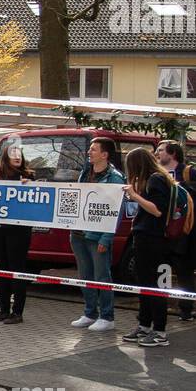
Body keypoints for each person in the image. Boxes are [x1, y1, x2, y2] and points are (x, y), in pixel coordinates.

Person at [155, 139, 196, 321]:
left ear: (172, 153)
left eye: (161, 150)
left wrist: (180, 188)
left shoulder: (190, 172)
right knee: (161, 269)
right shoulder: (156, 173)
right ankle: (160, 306)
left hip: (185, 232)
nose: (157, 153)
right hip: (161, 230)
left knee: (184, 272)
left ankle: (186, 308)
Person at [121, 147, 175, 347]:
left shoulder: (155, 180)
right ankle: (144, 325)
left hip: (153, 239)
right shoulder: (154, 179)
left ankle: (160, 331)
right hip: (144, 237)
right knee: (144, 283)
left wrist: (135, 195)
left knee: (154, 285)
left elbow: (157, 210)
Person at [70, 137, 124, 331]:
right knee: (85, 275)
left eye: (93, 150)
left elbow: (115, 211)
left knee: (102, 276)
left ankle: (107, 316)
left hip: (98, 236)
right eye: (90, 149)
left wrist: (106, 237)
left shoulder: (115, 178)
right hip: (78, 233)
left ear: (105, 154)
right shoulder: (86, 173)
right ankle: (89, 313)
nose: (89, 152)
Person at [0, 141, 33, 324]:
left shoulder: (28, 177)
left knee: (17, 270)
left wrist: (30, 187)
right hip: (0, 230)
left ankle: (17, 312)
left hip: (19, 232)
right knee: (2, 269)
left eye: (19, 153)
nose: (17, 157)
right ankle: (3, 309)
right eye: (13, 154)